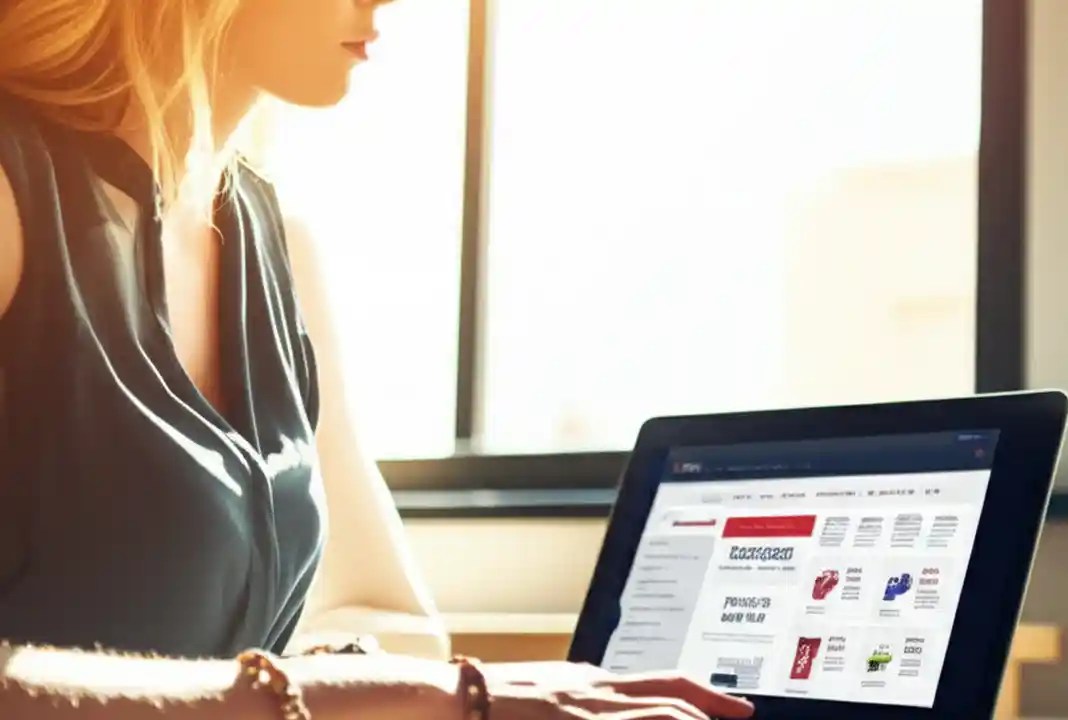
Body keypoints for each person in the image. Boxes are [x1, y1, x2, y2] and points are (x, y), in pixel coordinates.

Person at [0, 1, 756, 717]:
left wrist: (386, 683)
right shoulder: (13, 195)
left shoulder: (278, 245)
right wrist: (422, 698)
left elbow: (387, 617)